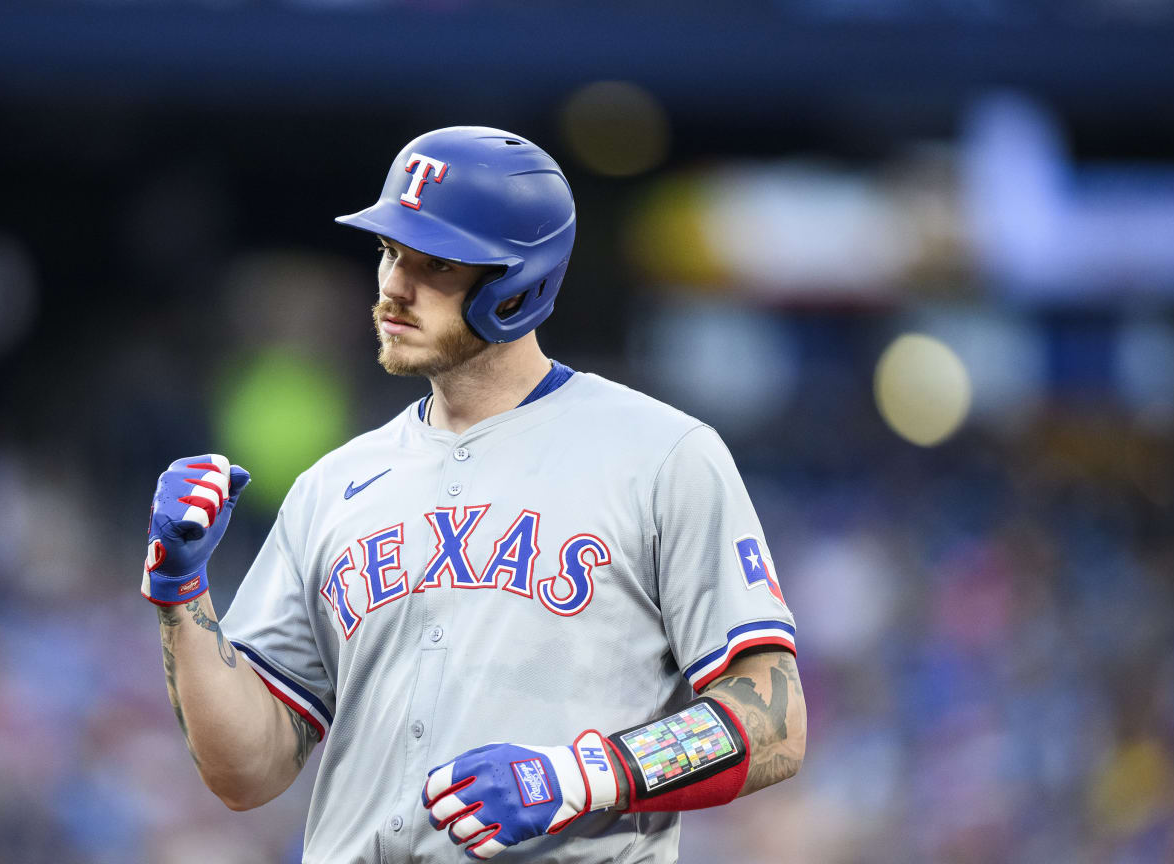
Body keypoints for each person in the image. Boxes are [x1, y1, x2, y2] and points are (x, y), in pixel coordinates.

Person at [140, 126, 806, 863]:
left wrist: (584, 775)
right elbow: (247, 771)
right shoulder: (332, 486)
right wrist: (182, 595)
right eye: (391, 253)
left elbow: (773, 723)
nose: (394, 284)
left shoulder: (660, 455)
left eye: (433, 264)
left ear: (516, 284)